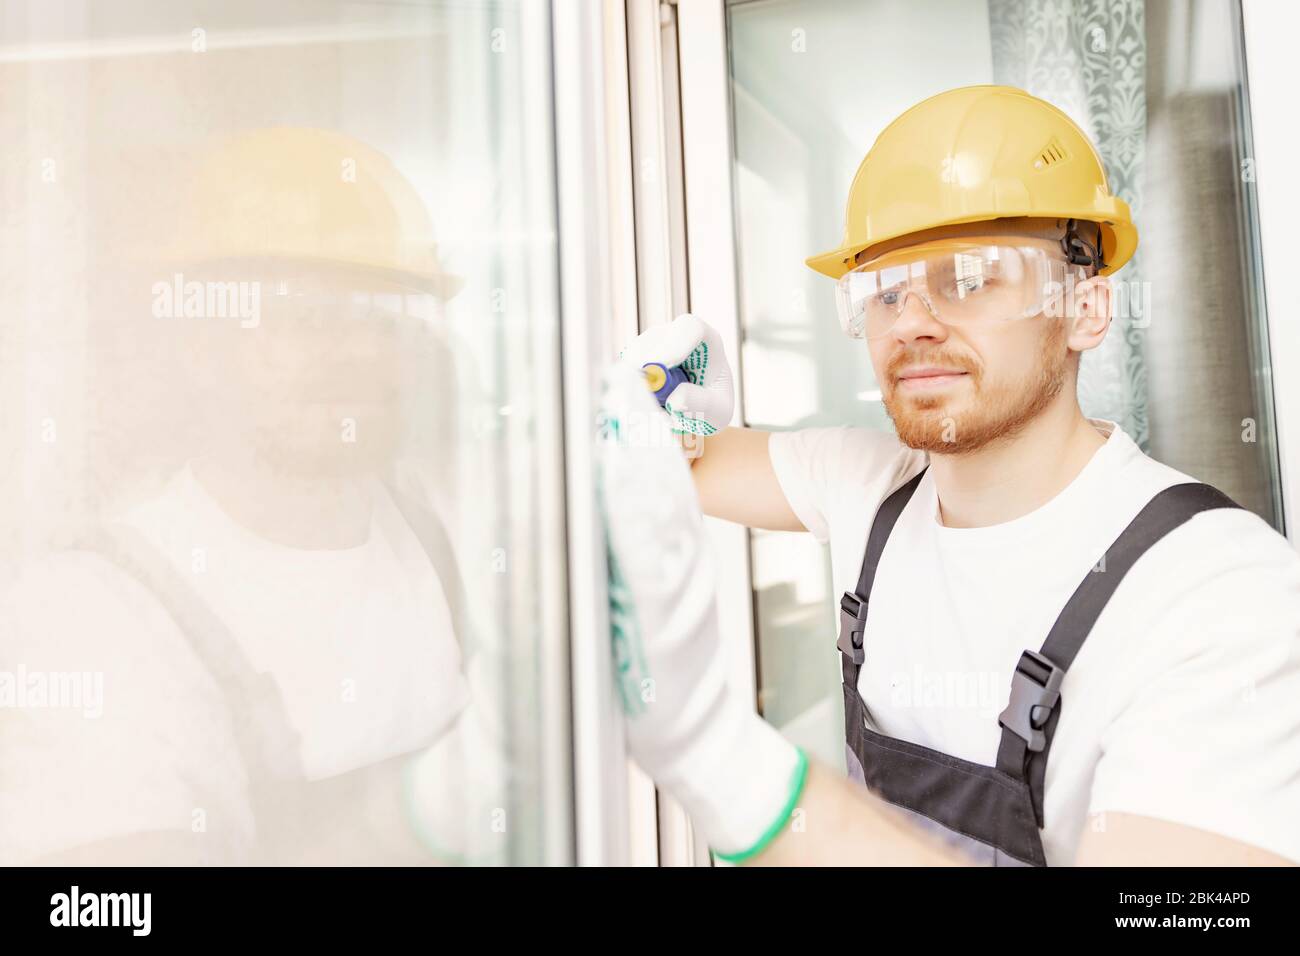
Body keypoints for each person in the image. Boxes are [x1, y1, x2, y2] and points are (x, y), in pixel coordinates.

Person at [601, 85, 1300, 866]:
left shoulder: (1216, 592)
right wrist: (655, 407)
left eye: (969, 278)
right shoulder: (870, 489)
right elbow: (634, 461)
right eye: (884, 291)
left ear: (1087, 308)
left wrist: (732, 769)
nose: (911, 322)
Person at [0, 129, 508, 865]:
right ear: (199, 347)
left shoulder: (450, 526)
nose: (358, 352)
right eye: (308, 317)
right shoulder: (86, 614)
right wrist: (425, 816)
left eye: (382, 319)